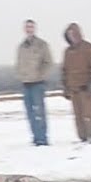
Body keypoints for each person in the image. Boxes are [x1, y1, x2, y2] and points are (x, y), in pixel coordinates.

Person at [15, 18, 54, 146]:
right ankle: (35, 137)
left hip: (37, 83)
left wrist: (41, 76)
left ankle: (42, 138)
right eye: (27, 27)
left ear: (34, 29)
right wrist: (20, 76)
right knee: (30, 113)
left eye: (31, 27)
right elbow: (19, 64)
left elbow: (48, 63)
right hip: (26, 84)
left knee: (39, 112)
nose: (29, 29)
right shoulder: (21, 47)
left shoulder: (42, 45)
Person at [62, 22, 91, 144]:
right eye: (69, 34)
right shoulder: (67, 52)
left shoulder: (88, 48)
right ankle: (83, 137)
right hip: (73, 89)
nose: (72, 36)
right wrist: (65, 87)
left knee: (88, 114)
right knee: (78, 115)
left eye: (74, 34)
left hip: (86, 87)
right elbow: (64, 71)